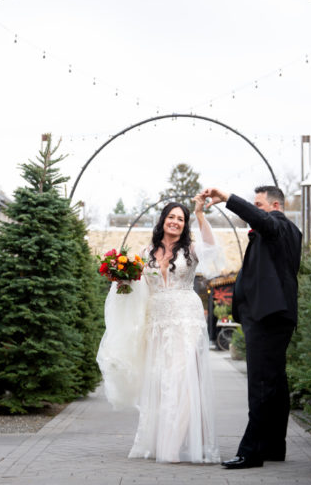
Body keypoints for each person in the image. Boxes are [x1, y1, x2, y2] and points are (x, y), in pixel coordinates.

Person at [96, 194, 222, 464]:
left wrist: (200, 214)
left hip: (185, 320)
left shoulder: (191, 249)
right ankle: (156, 440)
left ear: (185, 224)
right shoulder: (145, 253)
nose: (175, 222)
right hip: (156, 321)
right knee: (161, 381)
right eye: (171, 217)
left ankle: (173, 444)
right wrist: (122, 282)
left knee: (183, 380)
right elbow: (138, 289)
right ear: (163, 220)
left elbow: (212, 247)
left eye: (181, 219)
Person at [203, 185, 302, 470]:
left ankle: (251, 452)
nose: (254, 210)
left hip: (268, 317)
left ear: (276, 207)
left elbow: (262, 220)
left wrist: (228, 199)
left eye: (259, 204)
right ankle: (273, 446)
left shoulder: (279, 225)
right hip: (274, 316)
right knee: (274, 383)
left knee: (260, 383)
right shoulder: (277, 232)